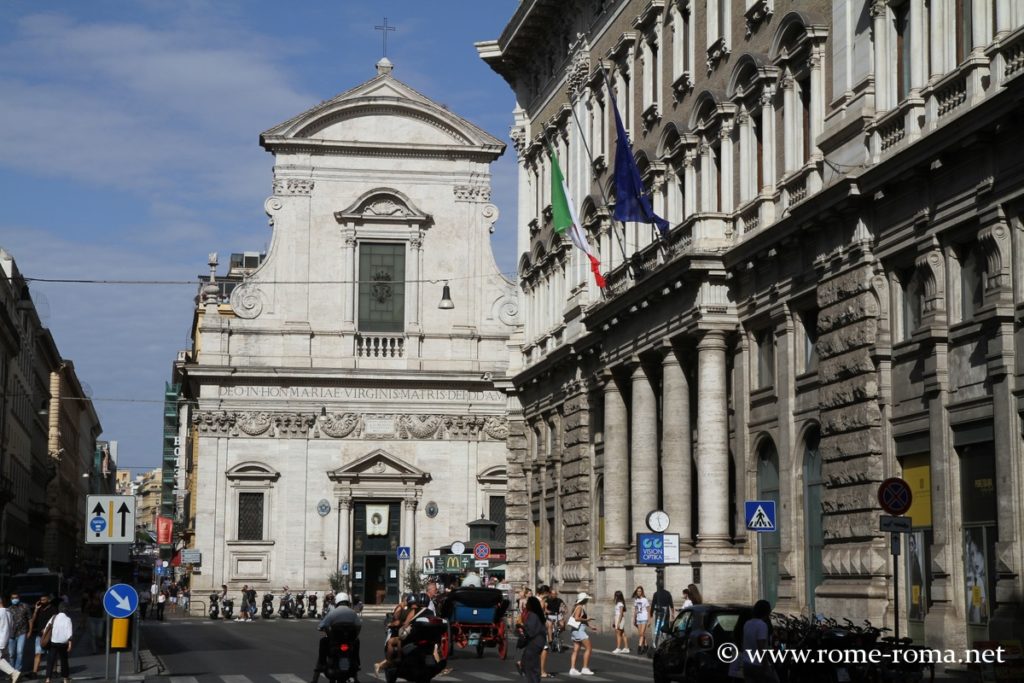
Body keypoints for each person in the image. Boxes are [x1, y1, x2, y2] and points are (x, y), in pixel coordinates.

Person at [312, 592, 362, 683]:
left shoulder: (333, 613)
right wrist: (354, 636)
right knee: (357, 642)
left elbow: (321, 625)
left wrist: (322, 628)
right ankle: (356, 663)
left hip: (335, 642)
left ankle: (321, 665)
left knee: (323, 641)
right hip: (349, 642)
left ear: (337, 601)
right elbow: (358, 626)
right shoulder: (353, 613)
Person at [375, 593, 420, 676]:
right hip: (416, 633)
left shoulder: (411, 610)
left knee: (393, 641)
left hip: (409, 634)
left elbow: (400, 622)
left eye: (407, 600)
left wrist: (396, 623)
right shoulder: (419, 609)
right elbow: (396, 618)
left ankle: (390, 661)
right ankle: (387, 663)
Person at [740, 599, 778, 683]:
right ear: (767, 612)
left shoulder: (747, 623)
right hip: (757, 664)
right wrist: (766, 666)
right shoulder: (762, 625)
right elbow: (761, 647)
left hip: (746, 663)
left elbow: (744, 643)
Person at [567, 592, 597, 676]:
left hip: (575, 630)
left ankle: (572, 669)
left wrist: (590, 626)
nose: (587, 600)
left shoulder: (576, 607)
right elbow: (577, 618)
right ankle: (585, 668)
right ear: (583, 600)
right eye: (586, 599)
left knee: (576, 650)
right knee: (589, 648)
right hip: (579, 631)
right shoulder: (580, 607)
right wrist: (587, 620)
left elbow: (579, 619)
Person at [28, 595, 57, 678]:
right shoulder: (39, 609)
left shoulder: (53, 609)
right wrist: (36, 610)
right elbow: (33, 620)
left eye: (44, 600)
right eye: (41, 600)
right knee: (38, 653)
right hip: (39, 635)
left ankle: (54, 671)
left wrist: (47, 628)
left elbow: (55, 620)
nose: (42, 601)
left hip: (50, 635)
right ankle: (34, 672)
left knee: (51, 654)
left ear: (48, 600)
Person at [520, 596, 547, 683]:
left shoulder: (532, 615)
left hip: (534, 642)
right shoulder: (538, 614)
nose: (526, 604)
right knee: (533, 664)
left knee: (531, 666)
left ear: (531, 605)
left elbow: (530, 631)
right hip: (539, 642)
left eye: (527, 603)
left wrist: (522, 629)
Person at [44, 602, 73, 683]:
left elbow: (47, 627)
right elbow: (69, 633)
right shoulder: (68, 619)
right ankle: (65, 678)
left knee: (51, 660)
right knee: (64, 660)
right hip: (63, 643)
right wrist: (70, 644)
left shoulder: (54, 617)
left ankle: (48, 679)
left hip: (54, 642)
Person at [0, 596, 22, 682]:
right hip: (6, 638)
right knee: (4, 659)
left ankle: (14, 673)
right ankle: (12, 675)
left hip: (1, 639)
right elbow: (11, 626)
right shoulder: (8, 612)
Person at [8, 592, 30, 674]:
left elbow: (30, 619)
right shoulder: (9, 609)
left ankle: (17, 671)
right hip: (11, 634)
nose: (15, 599)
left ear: (19, 598)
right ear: (10, 599)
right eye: (13, 598)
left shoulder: (25, 606)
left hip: (22, 632)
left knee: (20, 652)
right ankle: (11, 671)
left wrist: (30, 631)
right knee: (11, 654)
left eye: (16, 597)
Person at [651, 580, 674, 647]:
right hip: (666, 613)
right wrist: (673, 613)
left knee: (657, 628)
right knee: (665, 628)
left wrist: (651, 614)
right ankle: (665, 642)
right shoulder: (668, 593)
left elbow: (653, 604)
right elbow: (671, 604)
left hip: (658, 613)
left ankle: (657, 643)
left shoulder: (656, 594)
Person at [632, 586, 651, 655]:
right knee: (641, 634)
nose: (638, 592)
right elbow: (636, 610)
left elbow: (648, 610)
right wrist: (634, 619)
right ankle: (646, 645)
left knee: (642, 633)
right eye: (637, 591)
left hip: (644, 618)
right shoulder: (636, 600)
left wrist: (649, 620)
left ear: (642, 592)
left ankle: (639, 647)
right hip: (638, 618)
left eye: (640, 591)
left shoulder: (645, 600)